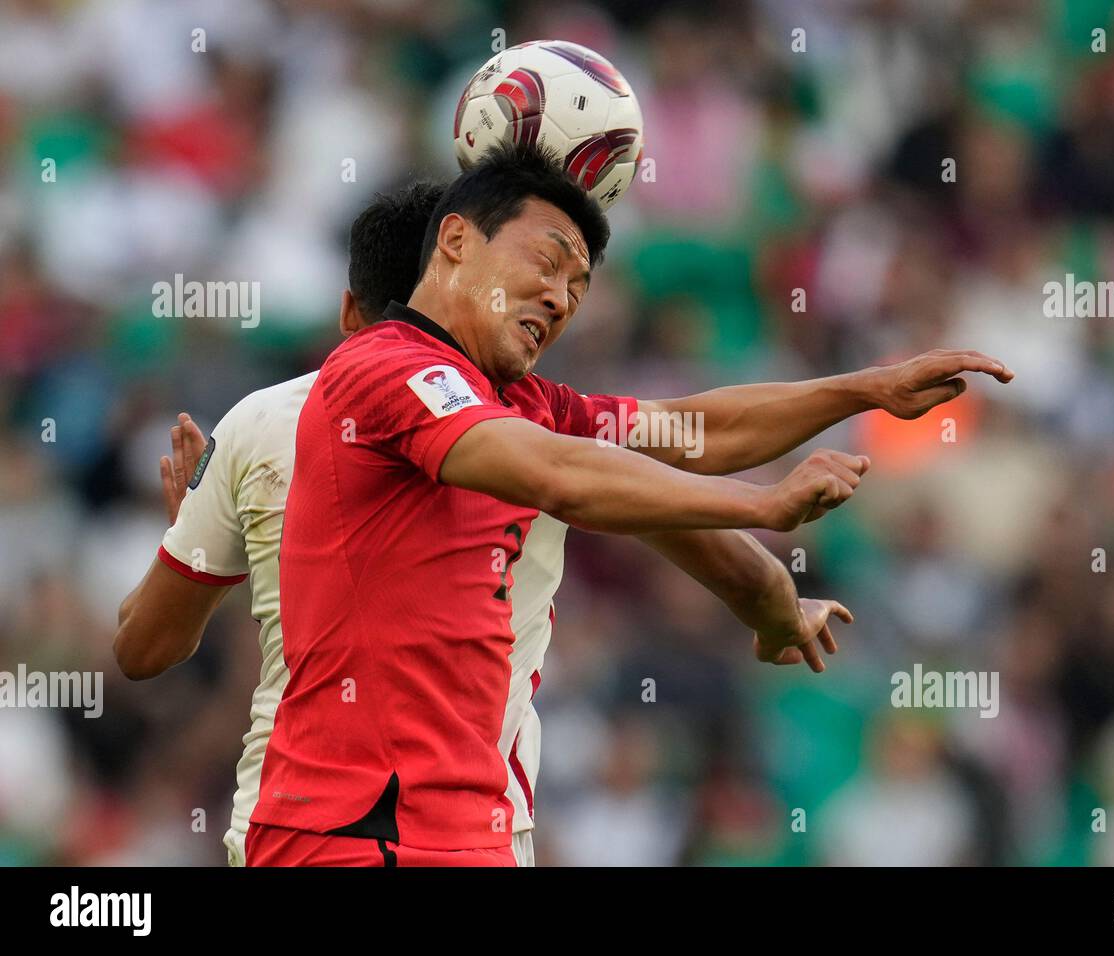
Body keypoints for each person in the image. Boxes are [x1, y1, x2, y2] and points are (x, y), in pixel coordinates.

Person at [116, 151, 1012, 867]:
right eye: (545, 263)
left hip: (468, 830)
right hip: (352, 829)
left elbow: (688, 427)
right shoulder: (385, 367)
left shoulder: (527, 403)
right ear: (454, 242)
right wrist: (765, 506)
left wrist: (861, 389)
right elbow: (554, 474)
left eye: (578, 287)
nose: (560, 296)